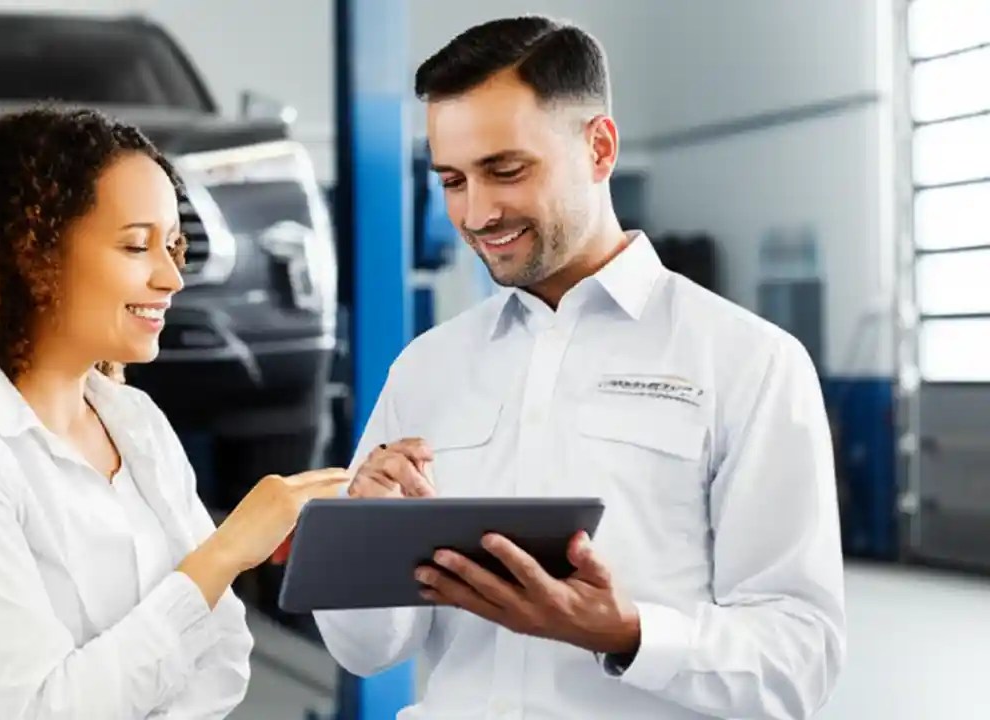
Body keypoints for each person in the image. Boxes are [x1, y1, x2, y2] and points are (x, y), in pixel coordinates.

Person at [313, 16, 846, 720]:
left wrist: (628, 633)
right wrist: (367, 537)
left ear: (599, 148)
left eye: (506, 171)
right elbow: (367, 650)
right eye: (452, 180)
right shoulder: (427, 368)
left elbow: (799, 660)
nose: (476, 213)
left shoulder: (749, 362)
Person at [0, 106, 348, 719]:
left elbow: (225, 662)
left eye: (174, 246)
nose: (171, 276)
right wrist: (223, 553)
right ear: (32, 254)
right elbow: (50, 709)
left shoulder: (136, 421)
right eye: (136, 245)